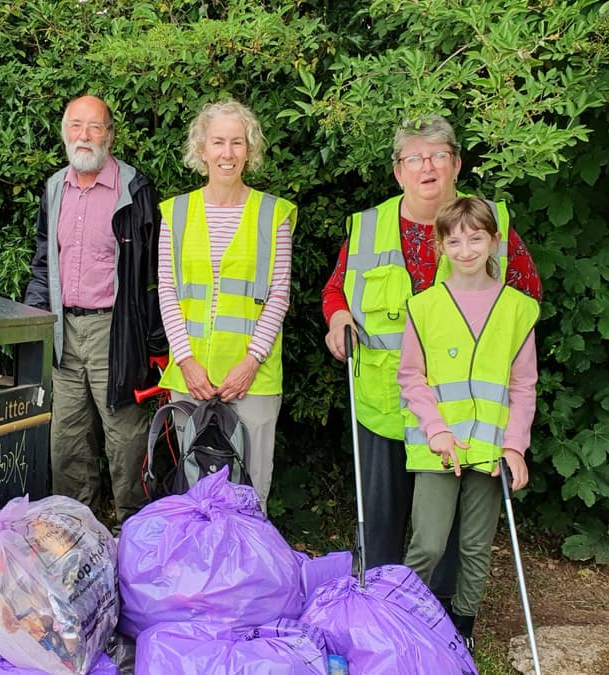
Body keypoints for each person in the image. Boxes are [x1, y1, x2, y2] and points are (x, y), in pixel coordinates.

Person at [321, 114, 541, 572]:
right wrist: (337, 315)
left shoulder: (487, 223)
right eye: (415, 158)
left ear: (456, 164)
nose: (428, 167)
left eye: (438, 156)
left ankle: (441, 619)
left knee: (446, 527)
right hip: (383, 401)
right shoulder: (367, 227)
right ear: (399, 170)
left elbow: (525, 295)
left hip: (457, 408)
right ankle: (381, 610)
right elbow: (336, 288)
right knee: (379, 522)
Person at [398, 196, 538, 648]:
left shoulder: (518, 308)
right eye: (454, 240)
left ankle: (462, 628)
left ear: (495, 243)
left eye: (476, 238)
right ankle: (403, 619)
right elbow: (411, 376)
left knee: (476, 548)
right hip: (436, 445)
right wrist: (437, 430)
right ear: (441, 246)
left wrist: (514, 445)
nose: (466, 249)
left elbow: (523, 385)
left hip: (491, 450)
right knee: (430, 544)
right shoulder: (424, 307)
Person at [24, 95, 166, 524]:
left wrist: (155, 341)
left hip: (116, 332)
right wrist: (34, 317)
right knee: (65, 441)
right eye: (75, 125)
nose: (84, 135)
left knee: (126, 440)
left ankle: (136, 534)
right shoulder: (54, 188)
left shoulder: (134, 190)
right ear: (64, 131)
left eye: (95, 127)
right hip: (63, 331)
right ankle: (75, 532)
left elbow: (156, 272)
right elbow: (44, 260)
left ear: (110, 134)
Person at [157, 99, 296, 508]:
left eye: (237, 142)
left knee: (250, 495)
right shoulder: (176, 213)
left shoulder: (274, 214)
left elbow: (278, 295)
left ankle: (248, 573)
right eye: (218, 142)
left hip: (254, 379)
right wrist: (185, 360)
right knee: (194, 496)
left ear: (249, 150)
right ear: (201, 150)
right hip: (191, 377)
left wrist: (251, 361)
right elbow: (167, 290)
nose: (227, 153)